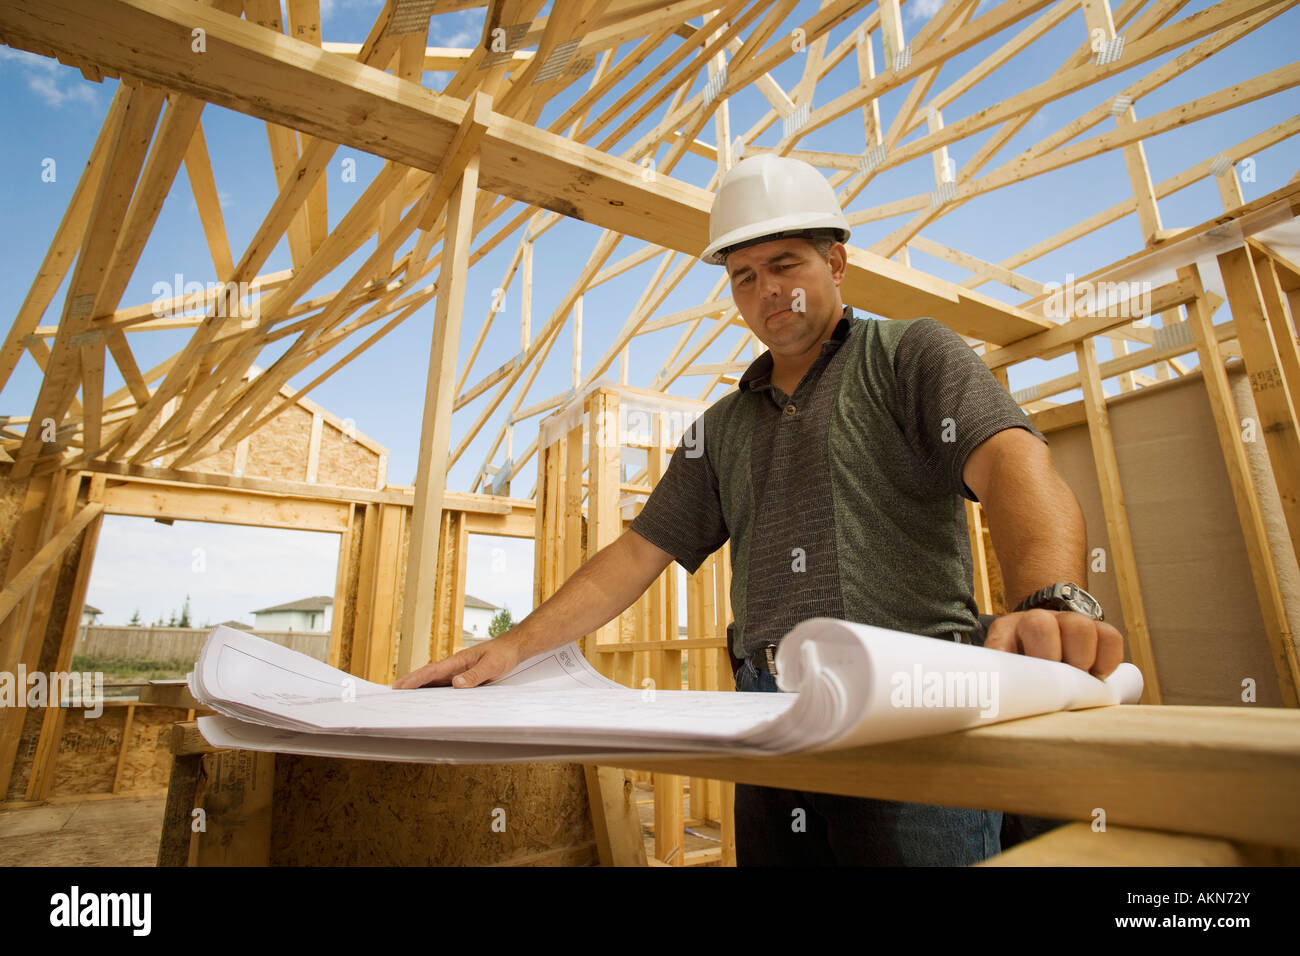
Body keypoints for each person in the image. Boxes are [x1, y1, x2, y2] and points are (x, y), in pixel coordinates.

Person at [394, 154, 1125, 866]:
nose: (768, 291)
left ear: (835, 263)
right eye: (744, 276)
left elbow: (1012, 460)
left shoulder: (910, 355)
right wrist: (513, 647)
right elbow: (637, 552)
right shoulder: (721, 427)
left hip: (915, 704)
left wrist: (1051, 597)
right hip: (767, 712)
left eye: (786, 264)